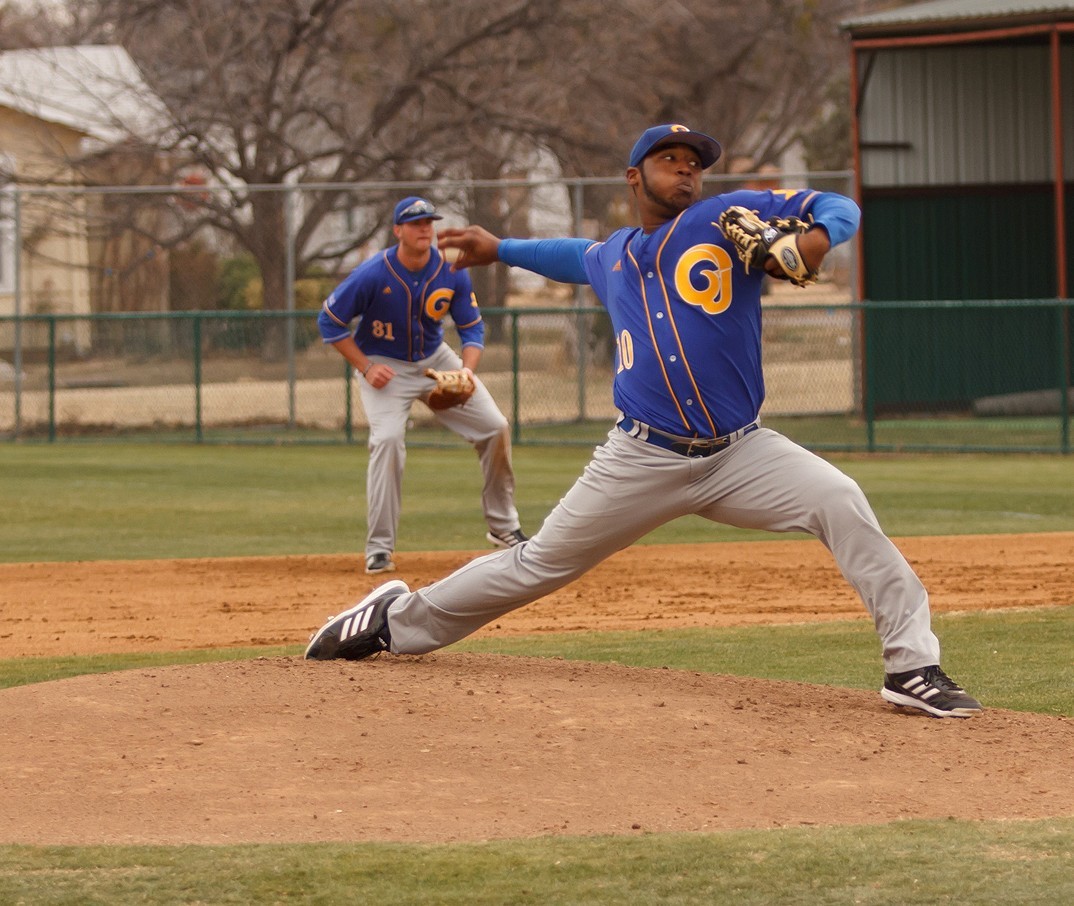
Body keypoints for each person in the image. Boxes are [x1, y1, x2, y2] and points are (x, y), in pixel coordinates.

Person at [305, 127, 982, 719]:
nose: (687, 169)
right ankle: (394, 620)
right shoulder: (616, 255)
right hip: (641, 457)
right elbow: (572, 255)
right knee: (536, 565)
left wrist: (815, 237)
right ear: (635, 176)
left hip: (741, 453)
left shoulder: (724, 217)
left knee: (841, 499)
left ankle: (911, 667)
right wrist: (501, 247)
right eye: (670, 158)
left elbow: (840, 204)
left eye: (694, 161)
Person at [317, 195, 527, 575]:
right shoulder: (372, 274)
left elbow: (471, 328)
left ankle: (503, 526)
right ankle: (379, 548)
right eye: (415, 223)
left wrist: (466, 372)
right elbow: (329, 322)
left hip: (434, 361)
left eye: (429, 221)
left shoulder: (451, 271)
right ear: (398, 230)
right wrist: (365, 367)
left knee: (495, 427)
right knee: (387, 441)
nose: (424, 228)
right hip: (384, 366)